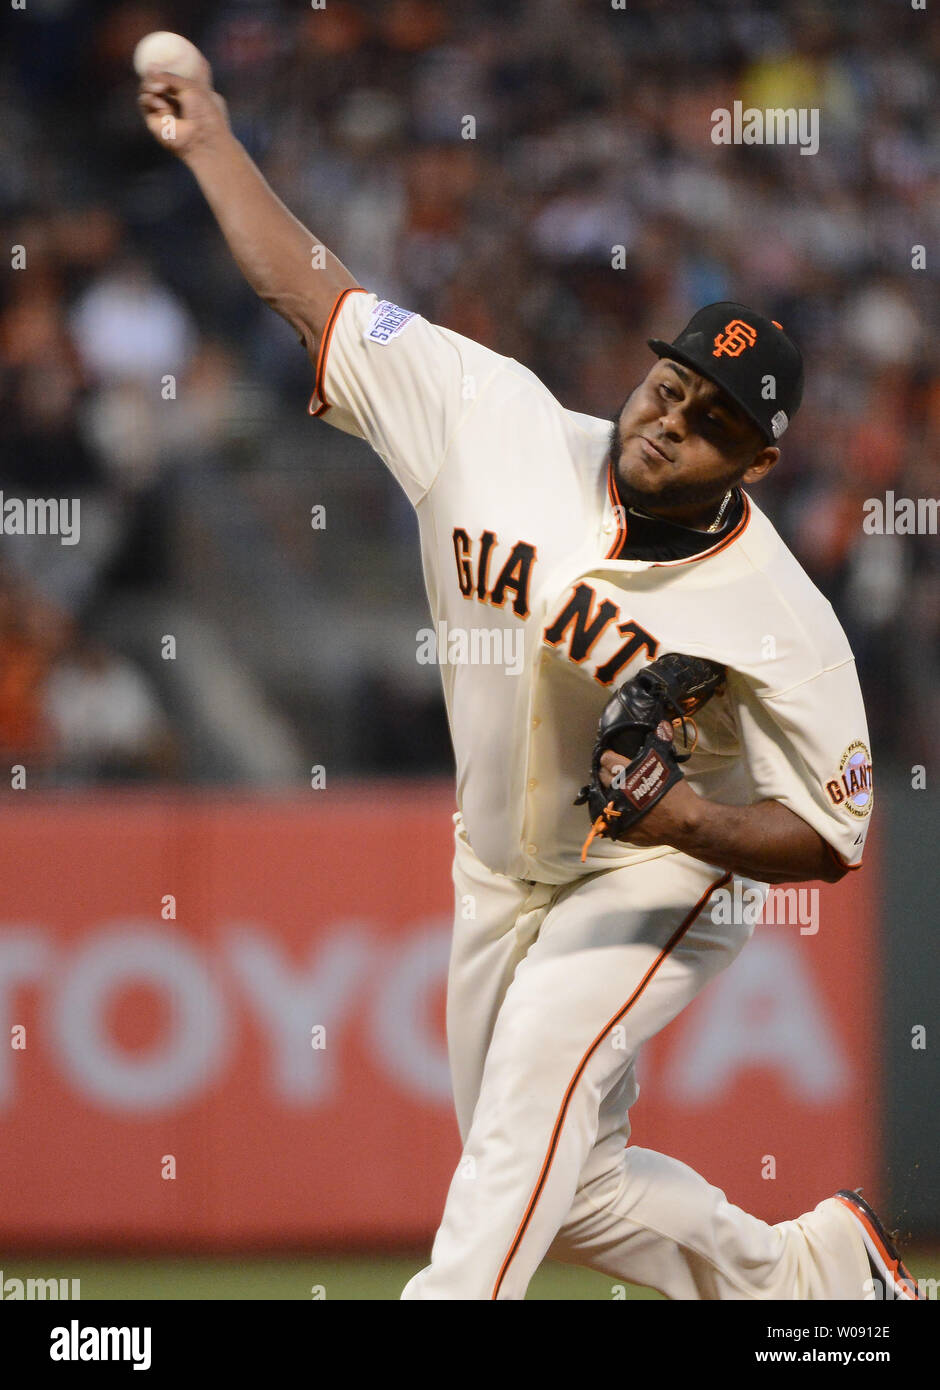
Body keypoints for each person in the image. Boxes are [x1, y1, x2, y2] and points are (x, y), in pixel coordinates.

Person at [137, 61, 921, 1302]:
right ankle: (814, 1276)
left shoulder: (784, 615)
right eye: (670, 385)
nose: (669, 419)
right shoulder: (484, 413)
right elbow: (314, 295)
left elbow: (833, 832)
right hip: (497, 864)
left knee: (535, 1088)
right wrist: (215, 143)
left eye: (710, 418)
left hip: (655, 870)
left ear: (756, 460)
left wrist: (690, 824)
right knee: (565, 1175)